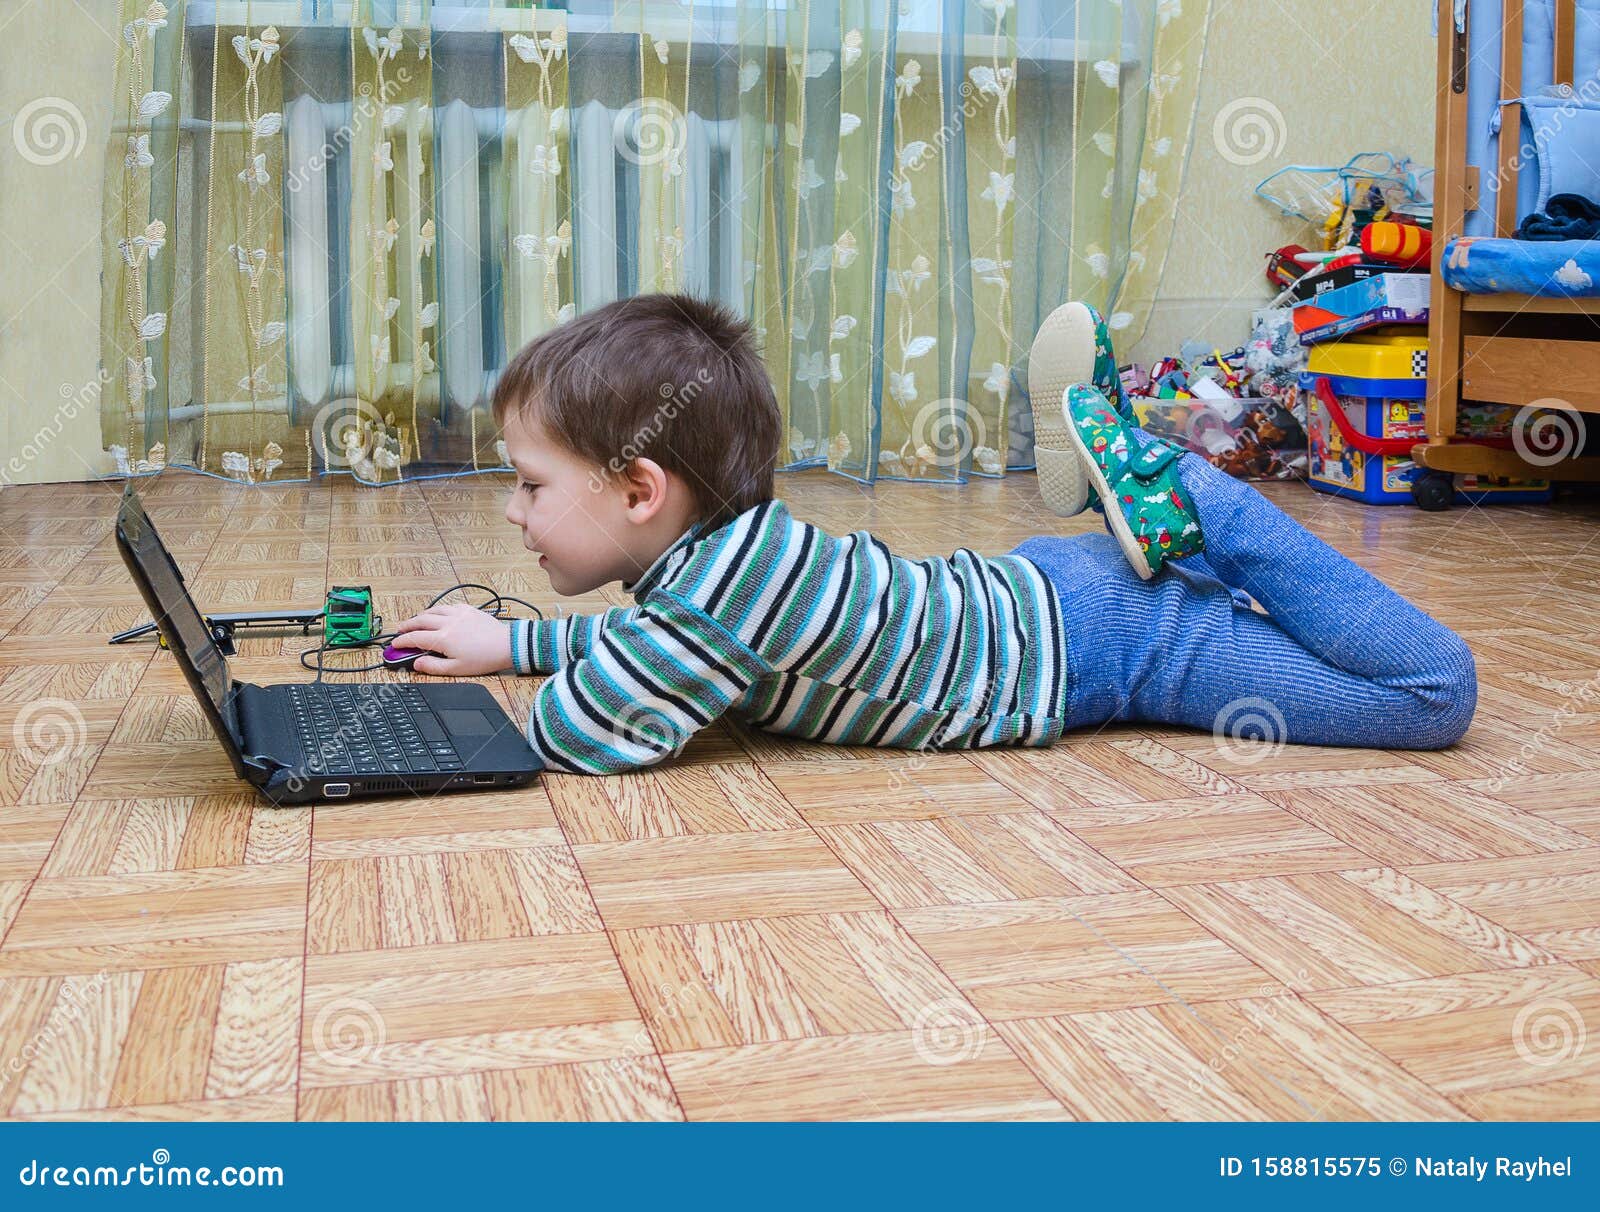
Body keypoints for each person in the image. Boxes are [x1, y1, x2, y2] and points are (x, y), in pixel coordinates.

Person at [393, 294, 1475, 774]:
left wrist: (404, 754)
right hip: (1053, 600)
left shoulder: (720, 593)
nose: (511, 510)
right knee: (1303, 630)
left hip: (1122, 648)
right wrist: (518, 644)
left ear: (639, 491)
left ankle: (1190, 492)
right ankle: (1144, 507)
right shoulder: (720, 572)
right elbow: (650, 649)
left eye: (530, 485)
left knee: (1433, 695)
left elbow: (591, 734)